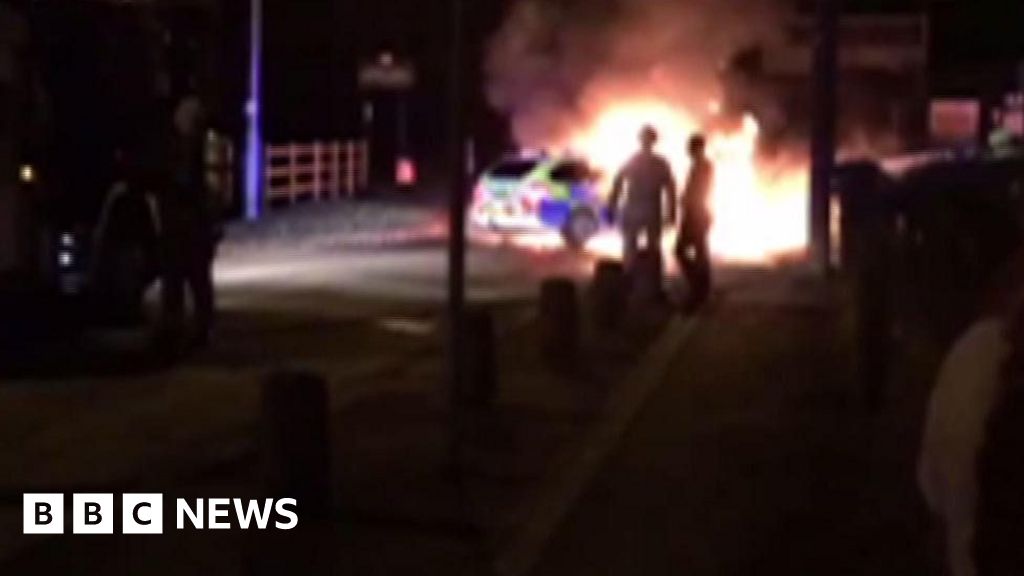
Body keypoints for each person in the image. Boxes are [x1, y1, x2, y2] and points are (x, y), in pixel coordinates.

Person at [156, 83, 218, 350]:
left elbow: (187, 187)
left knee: (185, 280)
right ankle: (189, 329)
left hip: (186, 225)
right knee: (191, 280)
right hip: (188, 225)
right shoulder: (196, 149)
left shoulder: (184, 151)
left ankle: (183, 330)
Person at [608, 125, 677, 270]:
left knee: (631, 247)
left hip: (635, 209)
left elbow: (618, 184)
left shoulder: (634, 160)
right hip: (651, 209)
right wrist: (672, 214)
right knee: (652, 247)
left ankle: (631, 276)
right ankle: (653, 280)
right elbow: (671, 190)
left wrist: (611, 208)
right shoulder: (660, 163)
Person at [675, 134, 714, 312]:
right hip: (697, 213)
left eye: (690, 147)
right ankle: (701, 287)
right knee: (698, 251)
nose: (687, 150)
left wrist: (685, 201)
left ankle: (698, 287)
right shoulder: (701, 165)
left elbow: (697, 190)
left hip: (695, 214)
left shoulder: (702, 166)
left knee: (682, 250)